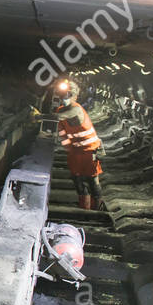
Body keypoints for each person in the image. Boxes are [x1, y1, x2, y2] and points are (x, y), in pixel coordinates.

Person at [51, 79, 104, 210]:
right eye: (63, 95)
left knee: (92, 179)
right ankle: (85, 205)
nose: (65, 98)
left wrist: (37, 117)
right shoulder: (60, 110)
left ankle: (97, 206)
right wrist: (68, 148)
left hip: (90, 149)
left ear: (75, 96)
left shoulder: (76, 109)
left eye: (68, 95)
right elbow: (62, 132)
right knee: (76, 178)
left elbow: (58, 118)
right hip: (75, 150)